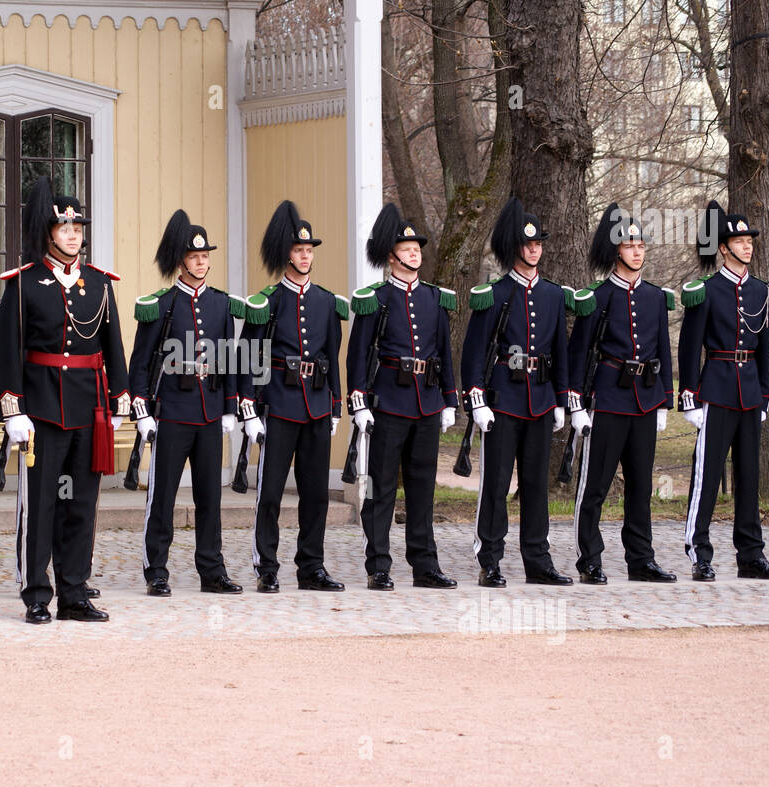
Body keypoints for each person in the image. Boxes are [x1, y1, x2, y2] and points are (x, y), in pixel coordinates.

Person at [0, 178, 131, 624]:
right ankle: (36, 593)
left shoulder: (99, 283)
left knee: (80, 505)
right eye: (64, 228)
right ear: (49, 233)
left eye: (77, 228)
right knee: (41, 505)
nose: (72, 235)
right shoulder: (23, 283)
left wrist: (119, 398)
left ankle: (73, 593)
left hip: (87, 409)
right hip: (41, 411)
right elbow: (10, 350)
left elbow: (113, 346)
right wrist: (12, 408)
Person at [129, 209, 243, 596]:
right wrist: (141, 407)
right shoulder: (160, 305)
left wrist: (230, 407)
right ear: (181, 261)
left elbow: (229, 358)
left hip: (209, 411)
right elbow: (140, 360)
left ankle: (212, 570)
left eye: (205, 256)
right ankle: (156, 570)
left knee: (210, 496)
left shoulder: (221, 305)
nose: (201, 262)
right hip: (172, 412)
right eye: (195, 257)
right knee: (162, 496)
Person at [346, 204, 459, 591]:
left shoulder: (434, 298)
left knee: (422, 488)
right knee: (379, 487)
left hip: (426, 402)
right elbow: (358, 353)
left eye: (416, 248)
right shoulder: (374, 299)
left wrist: (449, 400)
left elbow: (444, 352)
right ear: (391, 256)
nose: (414, 254)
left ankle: (425, 565)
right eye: (407, 249)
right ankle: (378, 564)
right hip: (388, 402)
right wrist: (358, 400)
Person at [460, 197, 571, 587]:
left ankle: (537, 561)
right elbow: (474, 352)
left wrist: (561, 399)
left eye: (538, 243)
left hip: (540, 399)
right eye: (528, 244)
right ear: (515, 248)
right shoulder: (494, 294)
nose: (534, 249)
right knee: (496, 483)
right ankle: (489, 558)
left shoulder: (554, 296)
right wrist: (477, 400)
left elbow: (561, 352)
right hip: (503, 399)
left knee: (536, 486)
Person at [237, 200, 347, 593]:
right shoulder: (267, 302)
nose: (305, 256)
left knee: (316, 494)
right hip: (279, 405)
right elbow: (247, 356)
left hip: (316, 406)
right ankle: (266, 566)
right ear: (287, 254)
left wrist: (335, 404)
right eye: (299, 250)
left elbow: (332, 356)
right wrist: (248, 407)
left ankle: (311, 567)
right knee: (269, 493)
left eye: (309, 250)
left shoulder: (326, 302)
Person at [566, 204, 677, 584]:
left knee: (641, 487)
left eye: (641, 244)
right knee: (594, 485)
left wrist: (665, 399)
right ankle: (590, 559)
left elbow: (663, 348)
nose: (637, 251)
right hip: (608, 397)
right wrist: (576, 402)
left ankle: (641, 559)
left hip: (645, 399)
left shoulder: (655, 297)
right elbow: (579, 352)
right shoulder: (596, 297)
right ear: (616, 251)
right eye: (629, 245)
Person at [677, 201, 769, 581]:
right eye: (739, 241)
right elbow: (690, 347)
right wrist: (688, 395)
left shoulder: (761, 292)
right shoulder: (706, 291)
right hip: (716, 389)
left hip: (750, 391)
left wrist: (766, 394)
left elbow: (766, 347)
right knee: (706, 476)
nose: (747, 246)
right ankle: (699, 552)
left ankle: (751, 555)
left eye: (749, 240)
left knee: (749, 477)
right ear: (723, 247)